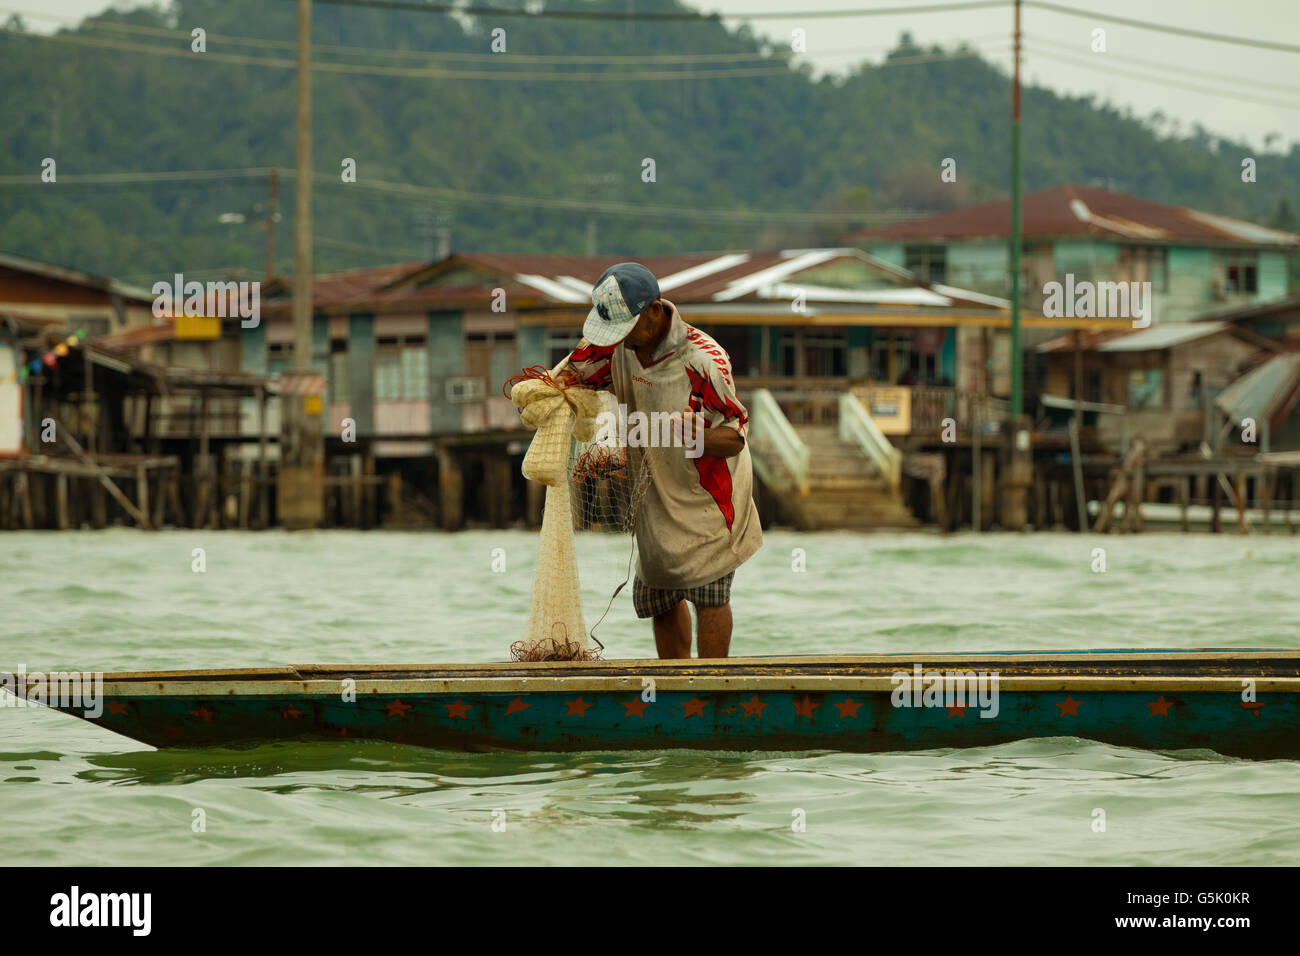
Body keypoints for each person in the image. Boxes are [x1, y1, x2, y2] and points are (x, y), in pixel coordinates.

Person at [559, 262, 762, 659]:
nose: (620, 339)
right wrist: (541, 393)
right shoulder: (617, 348)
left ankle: (711, 683)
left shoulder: (704, 361)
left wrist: (697, 436)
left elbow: (734, 437)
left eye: (626, 328)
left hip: (709, 496)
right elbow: (573, 374)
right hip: (653, 490)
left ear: (654, 311)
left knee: (710, 590)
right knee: (661, 589)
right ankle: (672, 683)